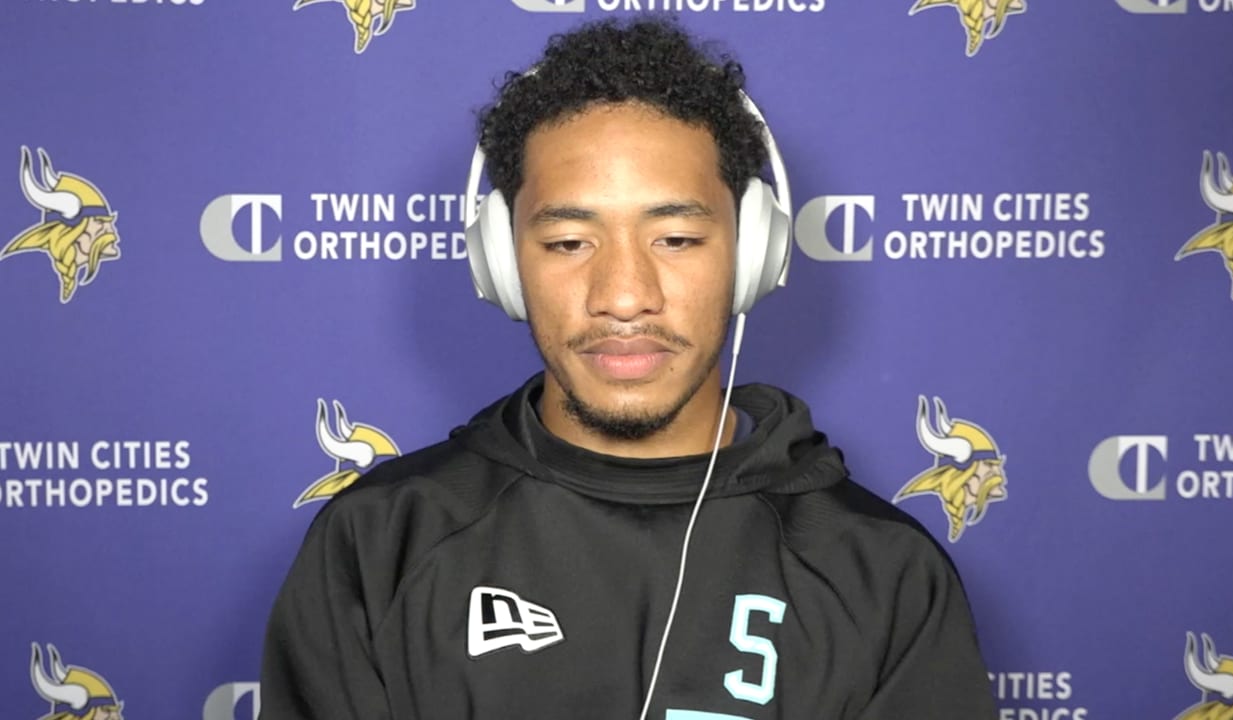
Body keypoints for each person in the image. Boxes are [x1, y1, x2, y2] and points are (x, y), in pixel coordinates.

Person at [260, 16, 997, 720]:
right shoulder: (381, 542)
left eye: (675, 238)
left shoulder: (881, 573)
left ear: (754, 255)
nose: (623, 297)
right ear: (500, 265)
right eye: (568, 243)